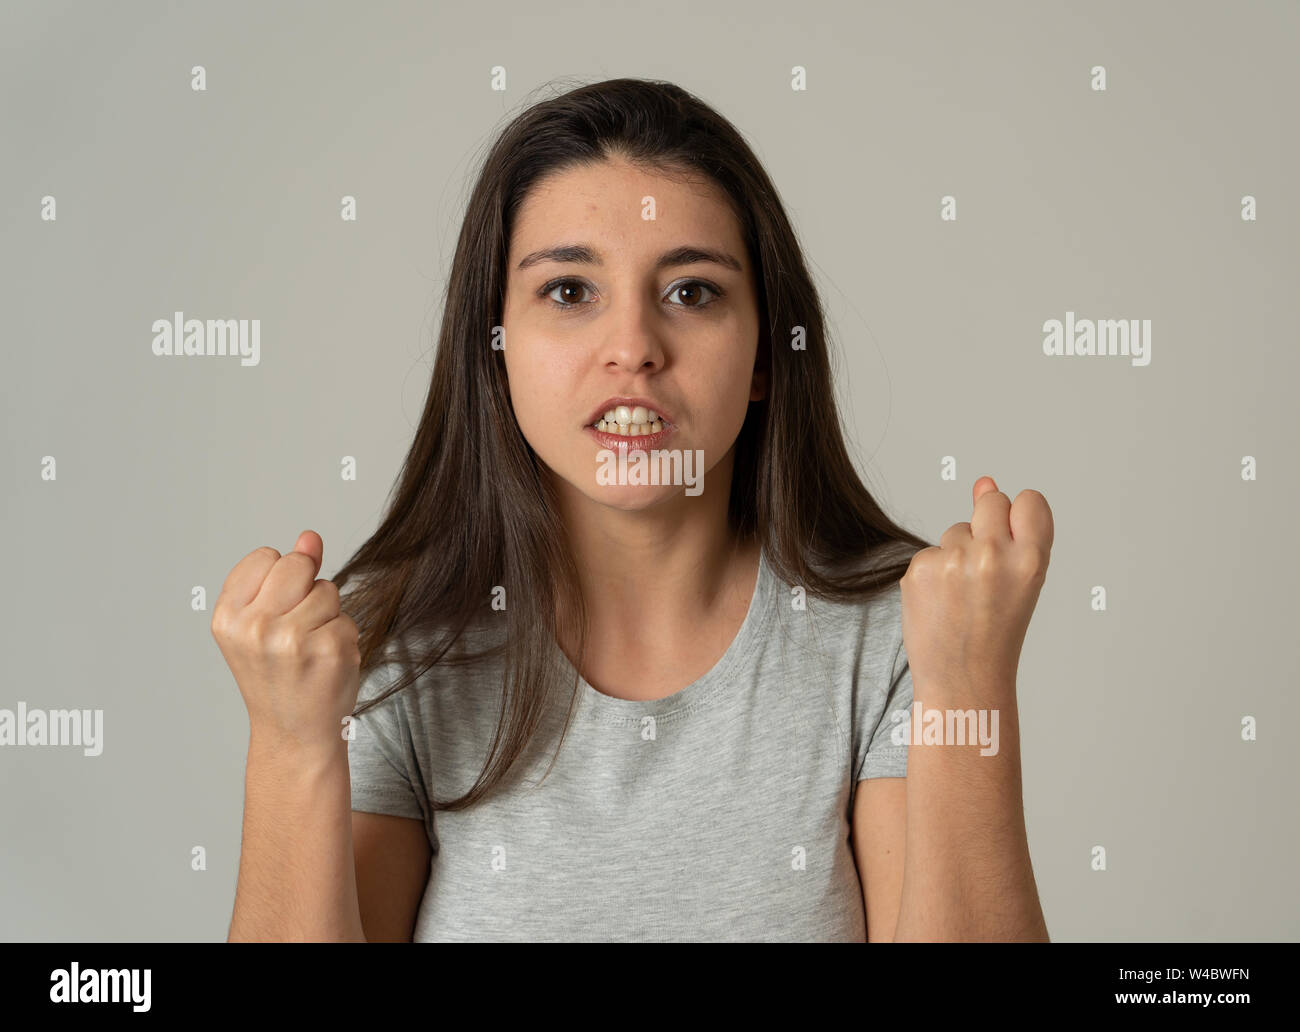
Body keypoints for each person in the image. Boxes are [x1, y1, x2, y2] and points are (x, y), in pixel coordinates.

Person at [213, 77, 1052, 943]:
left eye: (691, 292)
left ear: (766, 355)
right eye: (570, 291)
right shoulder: (390, 650)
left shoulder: (895, 639)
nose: (633, 350)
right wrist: (289, 749)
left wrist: (968, 690)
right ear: (493, 350)